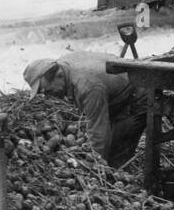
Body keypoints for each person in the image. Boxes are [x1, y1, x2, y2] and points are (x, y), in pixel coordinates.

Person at [23, 52, 151, 168]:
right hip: (117, 96)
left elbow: (98, 132)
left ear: (58, 75)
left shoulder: (86, 87)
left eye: (48, 90)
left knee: (114, 160)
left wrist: (93, 166)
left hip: (139, 98)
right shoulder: (64, 64)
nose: (48, 95)